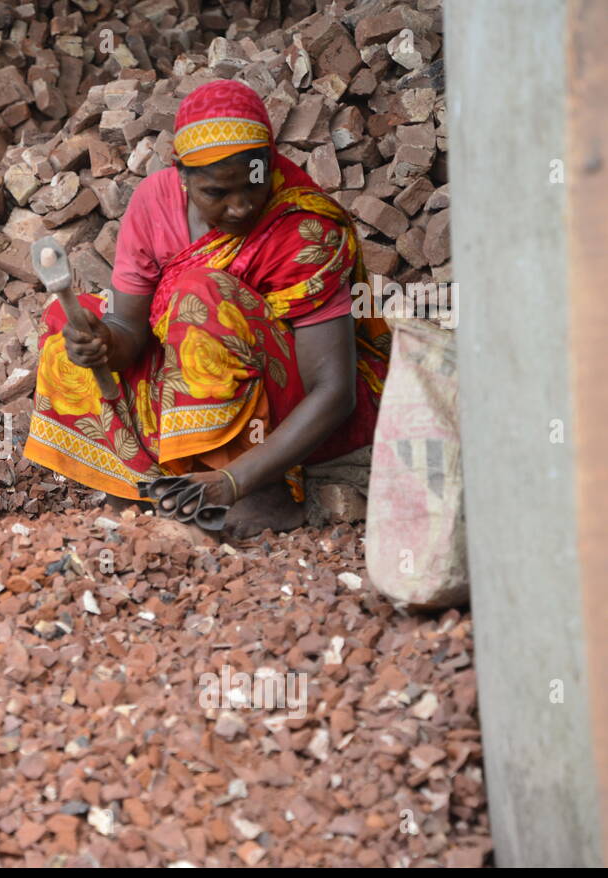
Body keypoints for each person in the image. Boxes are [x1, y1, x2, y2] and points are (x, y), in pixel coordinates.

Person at [24, 79, 391, 537]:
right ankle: (143, 486)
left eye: (252, 187)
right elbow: (127, 330)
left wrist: (235, 481)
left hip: (288, 414)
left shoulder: (304, 228)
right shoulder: (155, 203)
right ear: (182, 177)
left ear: (270, 164)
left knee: (200, 297)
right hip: (196, 381)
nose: (240, 208)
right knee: (68, 325)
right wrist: (102, 344)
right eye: (217, 194)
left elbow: (334, 391)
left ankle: (266, 492)